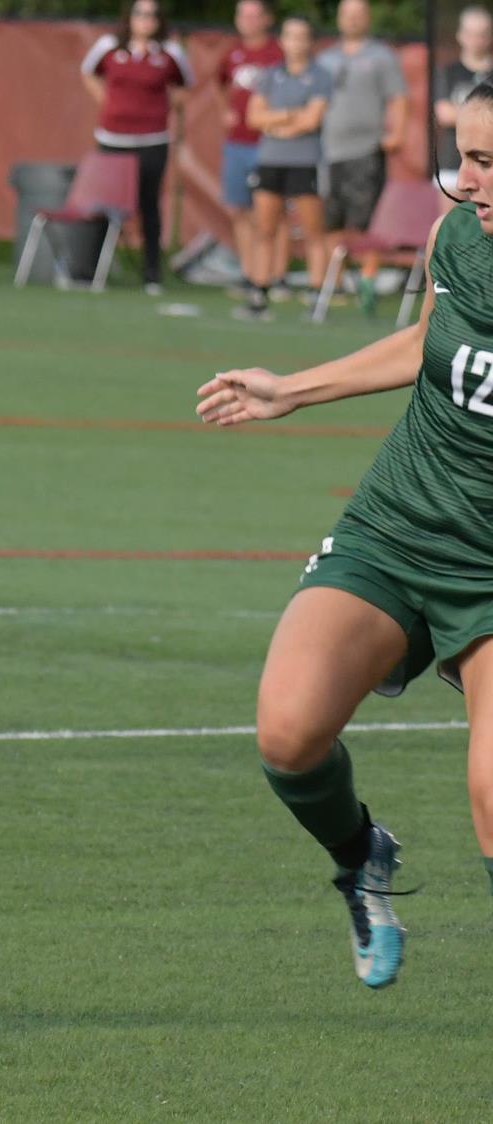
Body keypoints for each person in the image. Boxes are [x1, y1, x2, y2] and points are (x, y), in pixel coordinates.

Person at [194, 81, 493, 992]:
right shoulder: (461, 236)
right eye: (462, 157)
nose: (466, 182)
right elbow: (425, 343)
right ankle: (363, 859)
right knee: (288, 733)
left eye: (486, 162)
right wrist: (292, 388)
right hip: (400, 522)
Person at [81, 0, 191, 295]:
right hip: (112, 137)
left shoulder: (170, 50)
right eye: (140, 14)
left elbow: (183, 85)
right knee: (103, 204)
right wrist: (106, 101)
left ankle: (152, 273)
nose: (145, 20)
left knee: (149, 205)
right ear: (129, 17)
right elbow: (88, 72)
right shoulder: (109, 45)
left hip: (152, 139)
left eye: (152, 15)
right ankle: (90, 271)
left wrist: (171, 106)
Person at [238, 16, 332, 320]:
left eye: (302, 36)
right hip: (270, 160)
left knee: (312, 232)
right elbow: (254, 117)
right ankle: (258, 293)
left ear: (310, 41)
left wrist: (277, 120)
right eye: (290, 36)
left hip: (304, 162)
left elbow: (312, 120)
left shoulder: (320, 76)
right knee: (264, 228)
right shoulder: (269, 75)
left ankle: (317, 296)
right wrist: (290, 117)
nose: (296, 42)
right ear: (281, 41)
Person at [318, 0, 407, 316]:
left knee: (365, 219)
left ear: (367, 18)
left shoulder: (381, 56)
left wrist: (395, 133)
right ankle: (337, 282)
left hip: (365, 151)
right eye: (347, 14)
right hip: (328, 151)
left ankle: (368, 279)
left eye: (359, 14)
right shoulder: (326, 58)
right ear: (339, 18)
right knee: (330, 217)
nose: (353, 20)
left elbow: (398, 98)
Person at [218, 0, 285, 296]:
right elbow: (219, 83)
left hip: (268, 144)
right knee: (238, 209)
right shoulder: (232, 52)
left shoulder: (278, 53)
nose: (247, 20)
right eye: (242, 14)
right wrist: (225, 109)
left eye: (254, 15)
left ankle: (276, 276)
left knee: (272, 212)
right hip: (236, 143)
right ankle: (249, 273)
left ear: (267, 19)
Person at [436, 6, 493, 193]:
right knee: (453, 220)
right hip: (453, 162)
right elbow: (444, 113)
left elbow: (453, 113)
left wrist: (460, 113)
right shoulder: (447, 72)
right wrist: (485, 116)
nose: (476, 40)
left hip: (490, 165)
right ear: (460, 35)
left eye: (482, 34)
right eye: (470, 33)